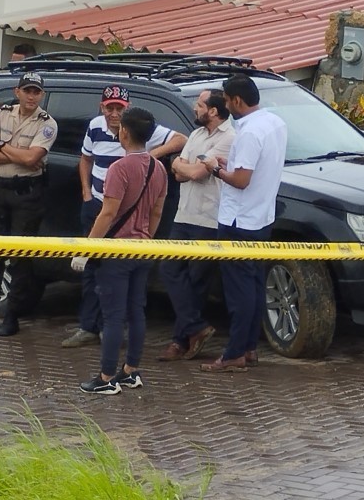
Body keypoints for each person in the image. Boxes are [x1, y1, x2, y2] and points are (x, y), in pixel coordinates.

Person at [62, 84, 183, 348]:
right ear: (101, 107)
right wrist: (85, 191)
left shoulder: (137, 132)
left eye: (120, 108)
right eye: (110, 107)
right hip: (96, 203)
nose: (114, 114)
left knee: (115, 277)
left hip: (119, 214)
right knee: (92, 272)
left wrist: (151, 155)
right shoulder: (95, 126)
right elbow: (85, 158)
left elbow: (180, 139)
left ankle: (111, 331)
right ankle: (89, 326)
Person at [0, 72, 59, 337]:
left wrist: (2, 147)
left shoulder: (47, 123)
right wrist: (14, 152)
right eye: (26, 90)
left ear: (42, 95)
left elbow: (32, 160)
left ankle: (12, 316)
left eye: (36, 92)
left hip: (27, 194)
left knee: (20, 257)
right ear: (17, 92)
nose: (31, 96)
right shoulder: (2, 113)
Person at [78, 107, 168, 395]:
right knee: (136, 311)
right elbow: (157, 211)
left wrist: (86, 249)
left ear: (124, 133)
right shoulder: (159, 167)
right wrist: (146, 238)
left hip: (116, 251)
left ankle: (105, 378)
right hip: (142, 248)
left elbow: (108, 213)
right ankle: (130, 370)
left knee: (113, 315)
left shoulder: (119, 168)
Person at [200, 74, 287, 371]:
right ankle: (249, 348)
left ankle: (236, 351)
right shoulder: (275, 123)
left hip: (240, 220)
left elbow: (241, 180)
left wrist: (215, 169)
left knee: (239, 292)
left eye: (226, 100)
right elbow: (254, 167)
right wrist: (230, 165)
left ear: (236, 100)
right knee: (253, 285)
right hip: (261, 217)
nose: (225, 106)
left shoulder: (249, 132)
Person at [158, 90, 235, 361]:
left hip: (209, 218)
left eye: (200, 105)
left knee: (197, 281)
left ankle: (180, 341)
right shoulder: (196, 135)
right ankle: (196, 327)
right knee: (169, 268)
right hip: (184, 214)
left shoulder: (229, 138)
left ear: (213, 111)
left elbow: (197, 173)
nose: (195, 108)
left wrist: (184, 166)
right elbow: (177, 174)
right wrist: (183, 167)